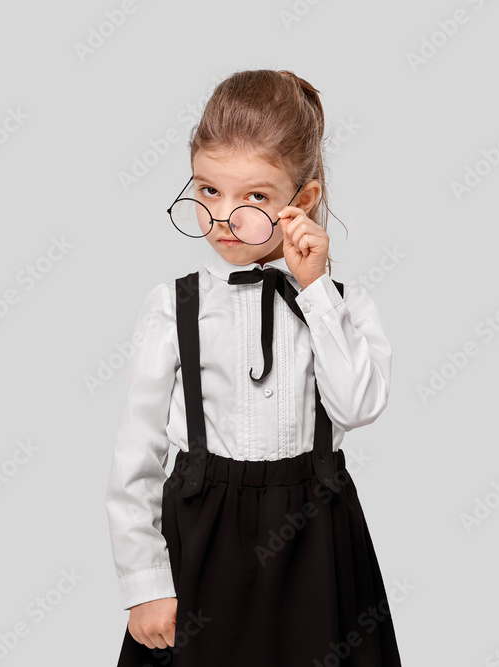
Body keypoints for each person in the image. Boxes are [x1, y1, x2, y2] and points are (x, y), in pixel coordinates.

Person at [106, 68, 402, 666]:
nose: (224, 218)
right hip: (203, 537)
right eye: (208, 191)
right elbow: (135, 457)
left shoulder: (341, 305)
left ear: (305, 200)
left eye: (255, 198)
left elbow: (358, 406)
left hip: (316, 540)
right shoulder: (173, 307)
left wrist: (317, 292)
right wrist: (145, 585)